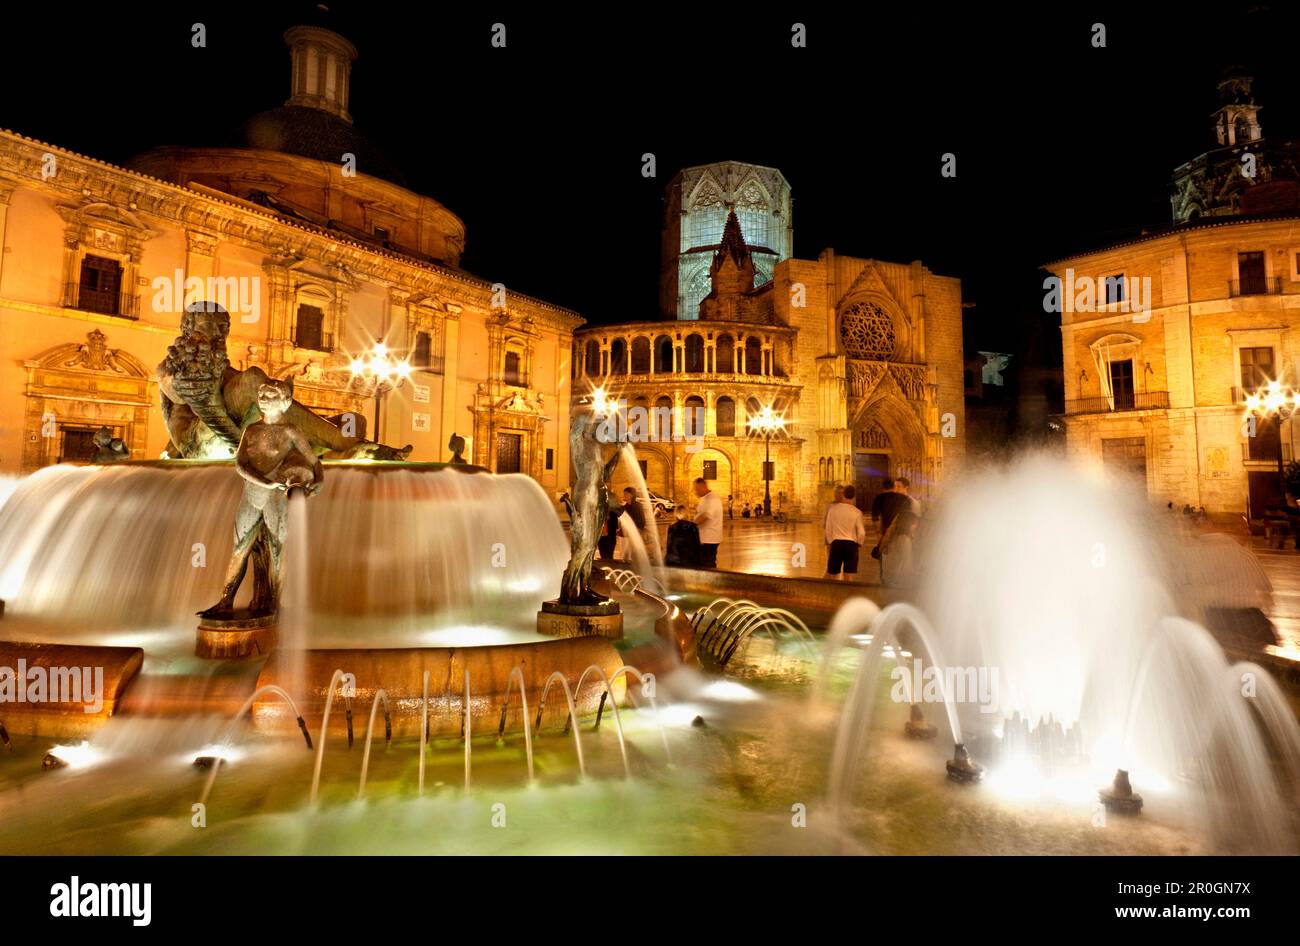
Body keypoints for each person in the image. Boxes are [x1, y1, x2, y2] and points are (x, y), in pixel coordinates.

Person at [824, 484, 866, 580]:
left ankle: (829, 593)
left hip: (836, 544)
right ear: (854, 496)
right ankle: (847, 594)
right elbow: (861, 532)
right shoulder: (857, 512)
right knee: (848, 575)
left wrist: (831, 541)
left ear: (843, 495)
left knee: (832, 574)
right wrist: (859, 543)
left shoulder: (833, 509)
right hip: (851, 545)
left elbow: (828, 528)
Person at [880, 509, 919, 589]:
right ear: (908, 524)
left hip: (889, 578)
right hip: (898, 582)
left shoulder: (893, 537)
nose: (916, 526)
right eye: (914, 523)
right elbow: (906, 564)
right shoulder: (904, 540)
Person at [693, 477, 723, 567]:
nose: (695, 492)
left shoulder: (713, 498)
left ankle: (711, 580)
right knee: (701, 563)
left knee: (708, 564)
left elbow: (706, 515)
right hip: (704, 538)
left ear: (703, 486)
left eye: (697, 489)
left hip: (710, 538)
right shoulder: (704, 498)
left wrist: (691, 525)